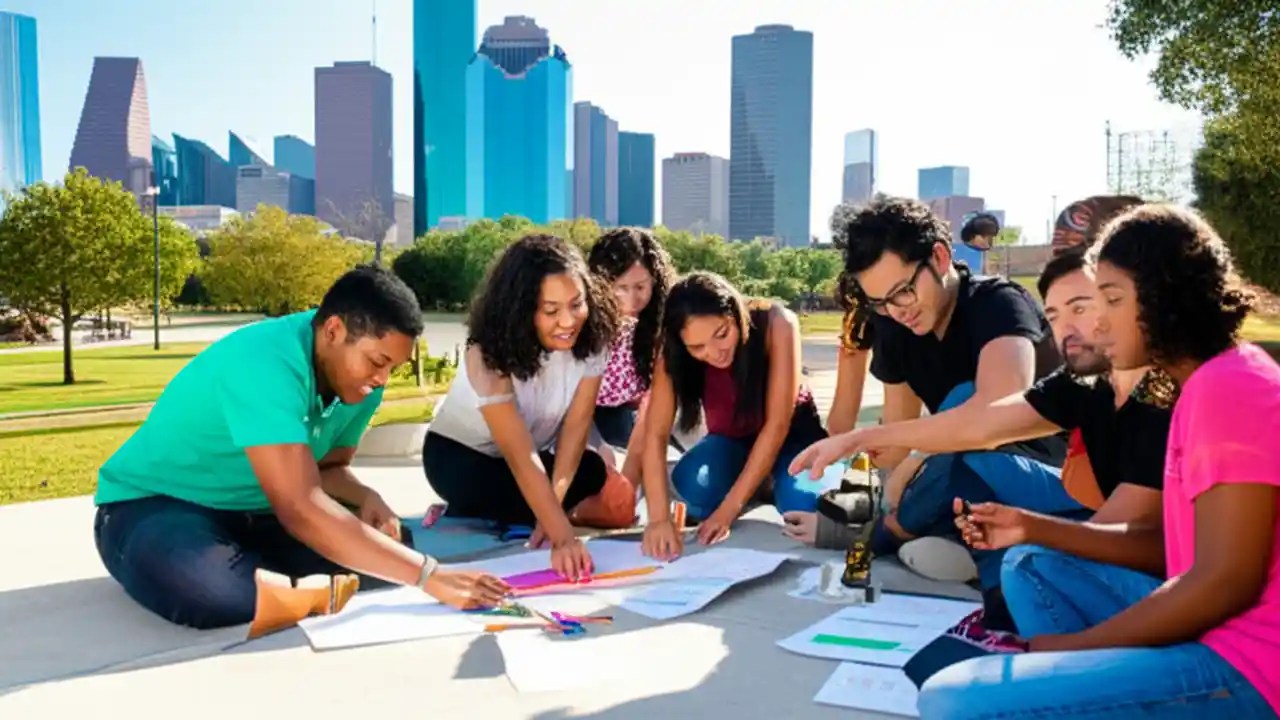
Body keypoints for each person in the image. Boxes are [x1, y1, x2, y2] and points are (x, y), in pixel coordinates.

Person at [918, 204, 1280, 719]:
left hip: (1252, 667)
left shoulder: (1230, 388)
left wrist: (1077, 647)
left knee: (951, 699)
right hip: (1215, 629)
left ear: (1166, 296)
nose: (1098, 322)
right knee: (1034, 564)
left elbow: (1226, 582)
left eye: (1111, 298)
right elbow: (1174, 554)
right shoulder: (1196, 387)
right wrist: (1030, 527)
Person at [93, 266, 510, 630]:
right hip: (156, 506)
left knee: (394, 548)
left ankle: (269, 577)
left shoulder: (359, 387)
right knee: (213, 594)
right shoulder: (263, 363)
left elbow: (328, 468)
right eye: (377, 361)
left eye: (392, 368)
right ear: (333, 331)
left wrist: (366, 496)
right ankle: (234, 572)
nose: (382, 379)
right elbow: (300, 506)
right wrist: (429, 577)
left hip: (258, 513)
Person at [792, 249, 1173, 619]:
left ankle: (901, 536)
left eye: (1082, 308)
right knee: (1002, 544)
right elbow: (983, 426)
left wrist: (1029, 529)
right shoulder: (1082, 382)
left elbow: (1137, 546)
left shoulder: (1168, 394)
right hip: (1029, 493)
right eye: (1054, 315)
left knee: (1024, 557)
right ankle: (989, 588)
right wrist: (867, 447)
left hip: (1132, 560)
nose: (1068, 332)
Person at [793, 196, 1078, 628]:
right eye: (880, 302)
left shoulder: (999, 304)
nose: (897, 309)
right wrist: (858, 488)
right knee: (948, 464)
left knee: (964, 403)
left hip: (1056, 478)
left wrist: (908, 454)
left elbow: (997, 416)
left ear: (940, 257)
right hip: (966, 480)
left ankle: (885, 536)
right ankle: (971, 558)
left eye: (904, 290)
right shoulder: (895, 326)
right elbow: (893, 442)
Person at [423, 234, 623, 581]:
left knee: (590, 469)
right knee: (515, 493)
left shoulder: (592, 341)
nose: (568, 321)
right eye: (551, 310)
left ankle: (503, 513)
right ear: (521, 308)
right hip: (460, 458)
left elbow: (575, 429)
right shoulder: (486, 355)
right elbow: (520, 456)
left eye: (577, 304)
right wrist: (561, 534)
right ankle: (479, 508)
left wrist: (554, 509)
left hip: (528, 458)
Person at [639, 271, 839, 559]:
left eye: (721, 334)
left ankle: (771, 481)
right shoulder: (670, 351)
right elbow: (656, 434)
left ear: (735, 313)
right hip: (731, 440)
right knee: (694, 489)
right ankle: (758, 482)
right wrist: (658, 520)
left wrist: (727, 512)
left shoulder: (777, 323)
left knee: (804, 506)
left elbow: (777, 425)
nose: (715, 352)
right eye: (697, 347)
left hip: (793, 438)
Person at [586, 227, 675, 480]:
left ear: (655, 283)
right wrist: (596, 443)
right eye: (620, 287)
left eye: (640, 287)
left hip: (632, 417)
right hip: (577, 415)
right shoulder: (582, 321)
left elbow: (654, 404)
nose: (631, 299)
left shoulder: (662, 324)